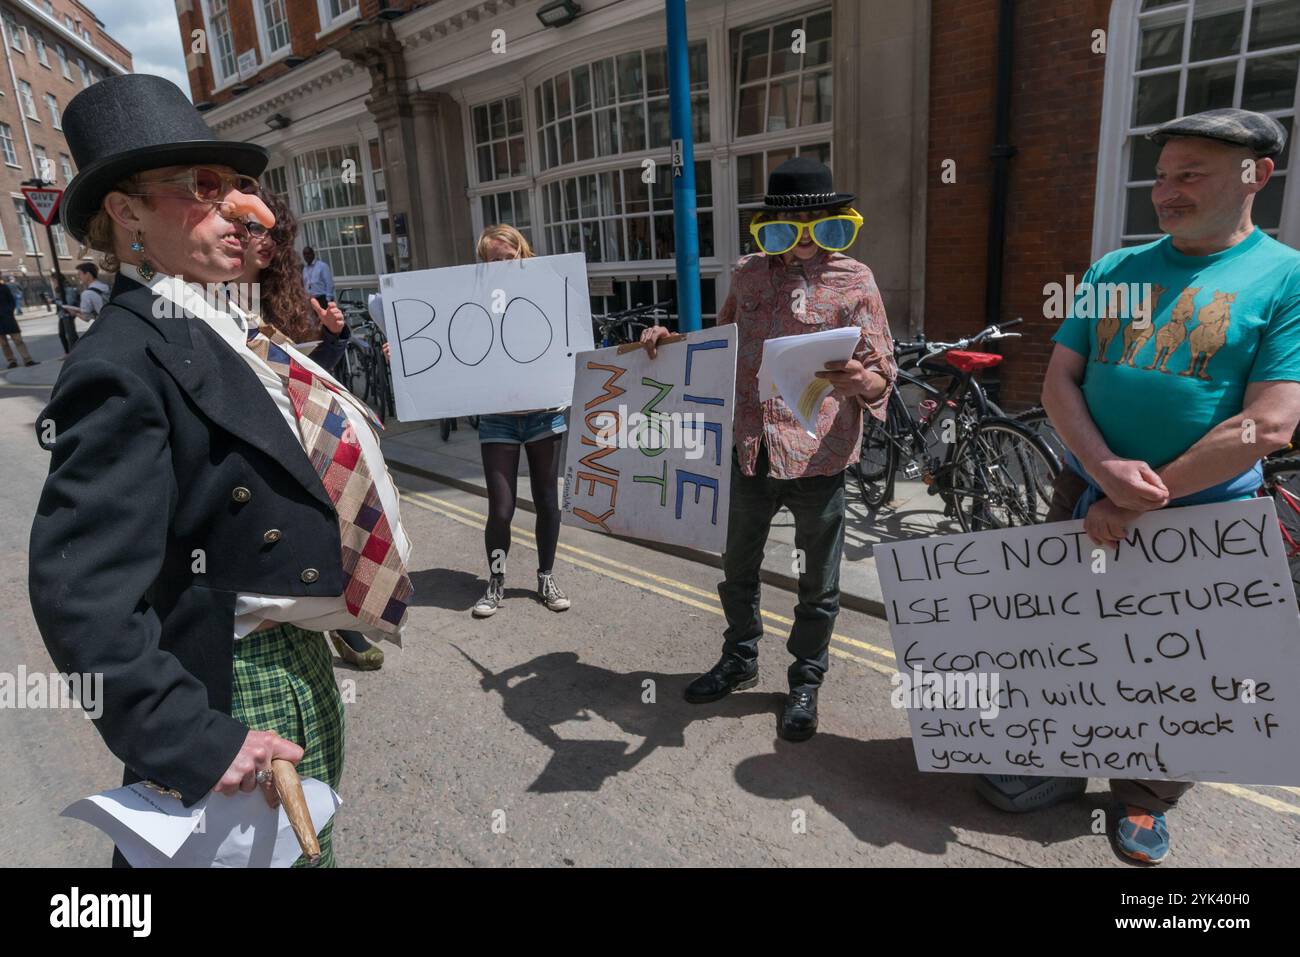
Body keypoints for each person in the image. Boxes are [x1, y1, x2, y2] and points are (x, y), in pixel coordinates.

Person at [28, 74, 413, 867]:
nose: (244, 210)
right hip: (232, 681)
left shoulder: (217, 323)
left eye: (239, 185)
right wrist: (189, 735)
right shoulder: (121, 361)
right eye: (199, 190)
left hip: (296, 660)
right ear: (125, 212)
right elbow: (82, 591)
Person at [978, 108, 1300, 864]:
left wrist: (1139, 496)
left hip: (1207, 512)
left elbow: (1273, 420)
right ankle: (1052, 759)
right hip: (1082, 490)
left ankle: (1145, 798)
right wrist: (1099, 471)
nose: (1165, 192)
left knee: (1183, 669)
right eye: (1162, 176)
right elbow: (1062, 378)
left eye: (1190, 175)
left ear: (1257, 175)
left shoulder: (1284, 278)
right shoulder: (1116, 271)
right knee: (1062, 639)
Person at [641, 157, 895, 742]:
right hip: (750, 449)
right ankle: (740, 658)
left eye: (817, 221)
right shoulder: (749, 274)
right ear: (772, 222)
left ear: (834, 219)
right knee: (737, 569)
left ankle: (805, 679)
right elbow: (719, 343)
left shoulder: (856, 279)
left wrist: (864, 383)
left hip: (821, 455)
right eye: (789, 221)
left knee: (819, 584)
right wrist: (667, 342)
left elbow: (884, 374)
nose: (804, 236)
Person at [236, 191, 383, 671]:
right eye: (253, 229)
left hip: (301, 433)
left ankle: (340, 622)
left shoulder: (285, 295)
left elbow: (315, 378)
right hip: (251, 443)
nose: (266, 243)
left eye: (275, 233)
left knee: (329, 531)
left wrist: (335, 337)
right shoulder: (204, 301)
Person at [470, 224, 571, 618]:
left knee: (548, 501)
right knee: (501, 509)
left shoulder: (547, 289)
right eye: (493, 261)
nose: (501, 266)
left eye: (508, 259)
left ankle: (546, 575)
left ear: (522, 254)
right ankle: (496, 580)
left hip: (544, 414)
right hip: (498, 418)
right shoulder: (474, 300)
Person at [60, 261, 112, 332]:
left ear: (87, 274)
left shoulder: (87, 294)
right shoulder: (106, 286)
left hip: (104, 326)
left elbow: (86, 318)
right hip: (114, 319)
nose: (78, 277)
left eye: (80, 274)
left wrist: (74, 313)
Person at [0, 278, 37, 368]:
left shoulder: (4, 287)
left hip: (8, 317)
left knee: (18, 340)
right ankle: (11, 361)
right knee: (4, 344)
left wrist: (9, 311)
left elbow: (11, 301)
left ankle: (27, 359)